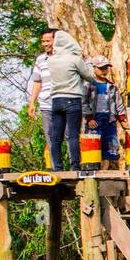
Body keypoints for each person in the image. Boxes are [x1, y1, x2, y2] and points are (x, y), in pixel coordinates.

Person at [42, 30, 94, 171]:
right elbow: (90, 76)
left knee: (56, 137)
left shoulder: (51, 60)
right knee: (72, 135)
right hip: (72, 100)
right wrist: (87, 61)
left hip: (56, 100)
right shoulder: (74, 59)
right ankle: (75, 167)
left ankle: (57, 167)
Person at [85, 56, 127, 170]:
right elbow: (84, 103)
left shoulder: (112, 87)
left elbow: (118, 104)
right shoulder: (89, 85)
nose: (104, 71)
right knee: (93, 148)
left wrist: (122, 119)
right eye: (101, 68)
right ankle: (93, 172)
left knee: (109, 148)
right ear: (94, 68)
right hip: (95, 121)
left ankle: (104, 172)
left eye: (106, 68)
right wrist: (89, 119)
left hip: (109, 121)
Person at [27, 29, 56, 166]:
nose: (45, 44)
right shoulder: (40, 59)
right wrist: (32, 103)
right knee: (50, 136)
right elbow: (37, 82)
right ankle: (55, 167)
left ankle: (75, 167)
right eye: (43, 41)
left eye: (48, 41)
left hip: (64, 102)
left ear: (55, 41)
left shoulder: (65, 57)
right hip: (46, 104)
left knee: (69, 136)